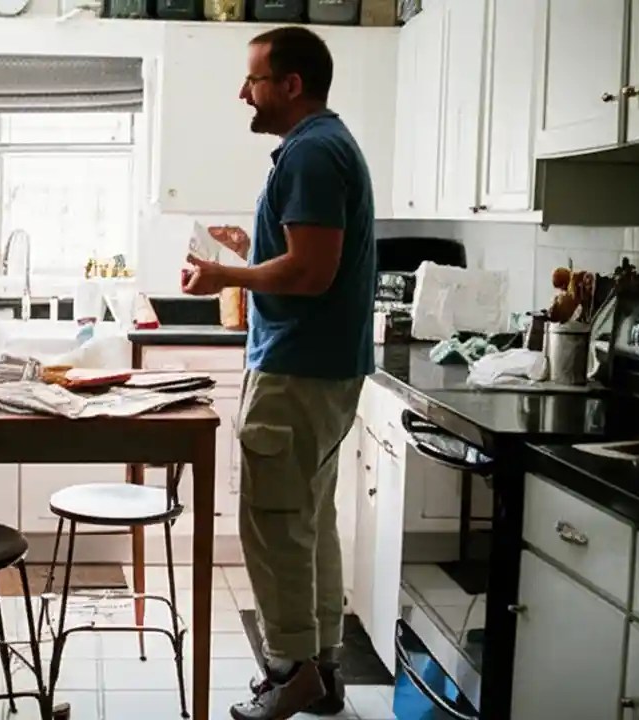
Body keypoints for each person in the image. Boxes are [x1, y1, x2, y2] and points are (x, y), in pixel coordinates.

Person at [181, 26, 376, 720]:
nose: (244, 92)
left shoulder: (313, 153)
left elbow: (309, 272)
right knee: (308, 521)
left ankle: (290, 670)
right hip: (324, 368)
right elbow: (302, 250)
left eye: (254, 80)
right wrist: (248, 243)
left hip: (297, 368)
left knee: (273, 522)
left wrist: (223, 273)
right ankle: (320, 670)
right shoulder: (322, 145)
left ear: (291, 85)